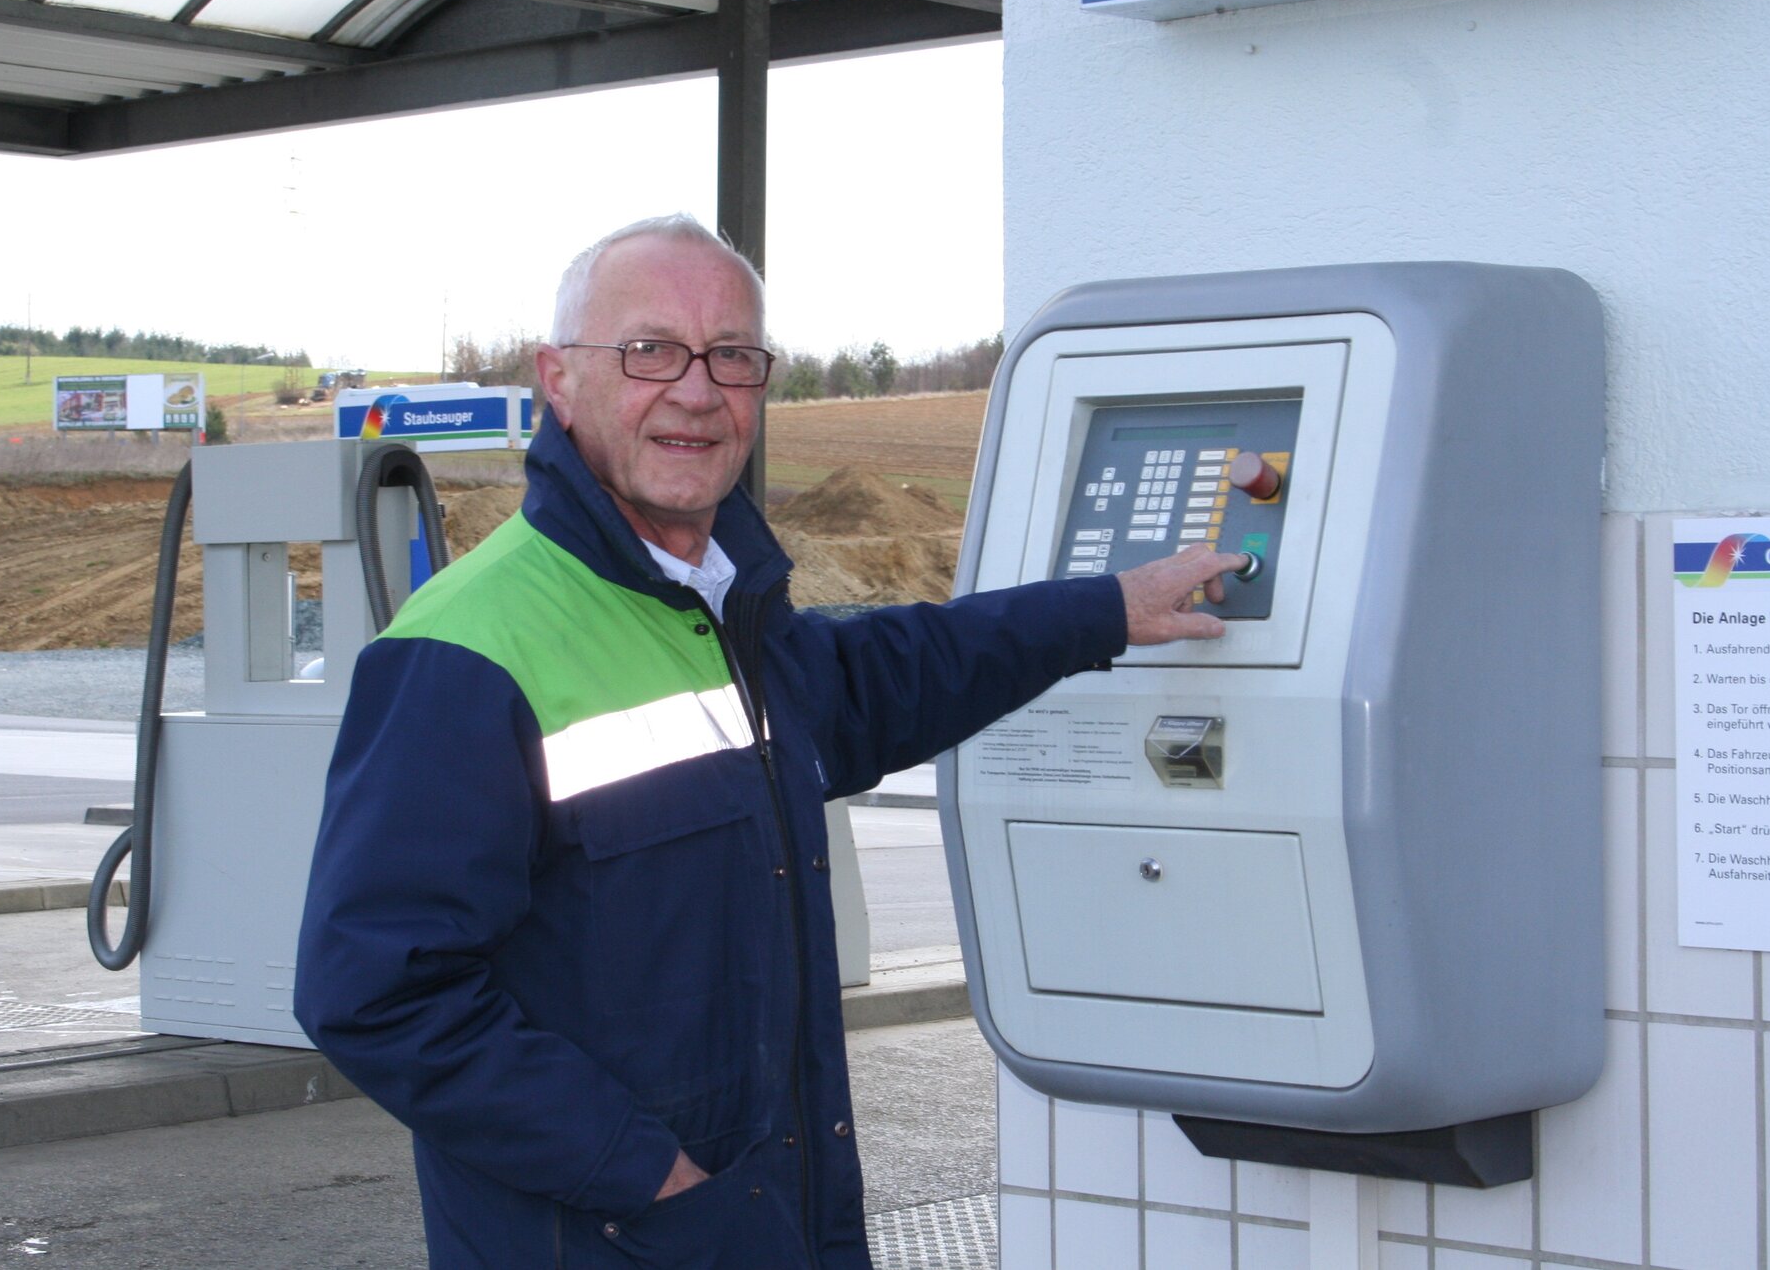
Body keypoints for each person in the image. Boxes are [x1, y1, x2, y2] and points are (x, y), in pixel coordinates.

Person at [293, 215, 1245, 1268]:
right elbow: (377, 991)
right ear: (559, 380)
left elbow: (896, 671)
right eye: (649, 351)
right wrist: (646, 1175)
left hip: (765, 1224)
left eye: (731, 356)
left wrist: (1107, 610)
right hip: (621, 1235)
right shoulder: (465, 650)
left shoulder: (729, 614)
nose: (696, 391)